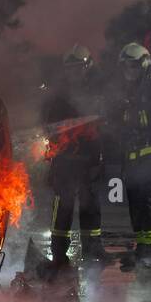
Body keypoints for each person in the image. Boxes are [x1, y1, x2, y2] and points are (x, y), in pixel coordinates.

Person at [40, 44, 105, 269]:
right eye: (71, 68)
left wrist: (101, 157)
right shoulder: (58, 96)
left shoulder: (99, 91)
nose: (74, 72)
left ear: (88, 67)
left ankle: (92, 248)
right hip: (65, 160)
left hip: (90, 158)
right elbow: (48, 126)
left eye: (79, 67)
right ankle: (59, 252)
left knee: (90, 204)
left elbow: (106, 125)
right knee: (63, 205)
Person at [113, 42, 151, 269]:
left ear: (143, 63)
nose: (127, 71)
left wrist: (138, 126)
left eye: (131, 66)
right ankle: (142, 248)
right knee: (135, 202)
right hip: (134, 157)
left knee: (149, 200)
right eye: (125, 67)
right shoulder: (133, 88)